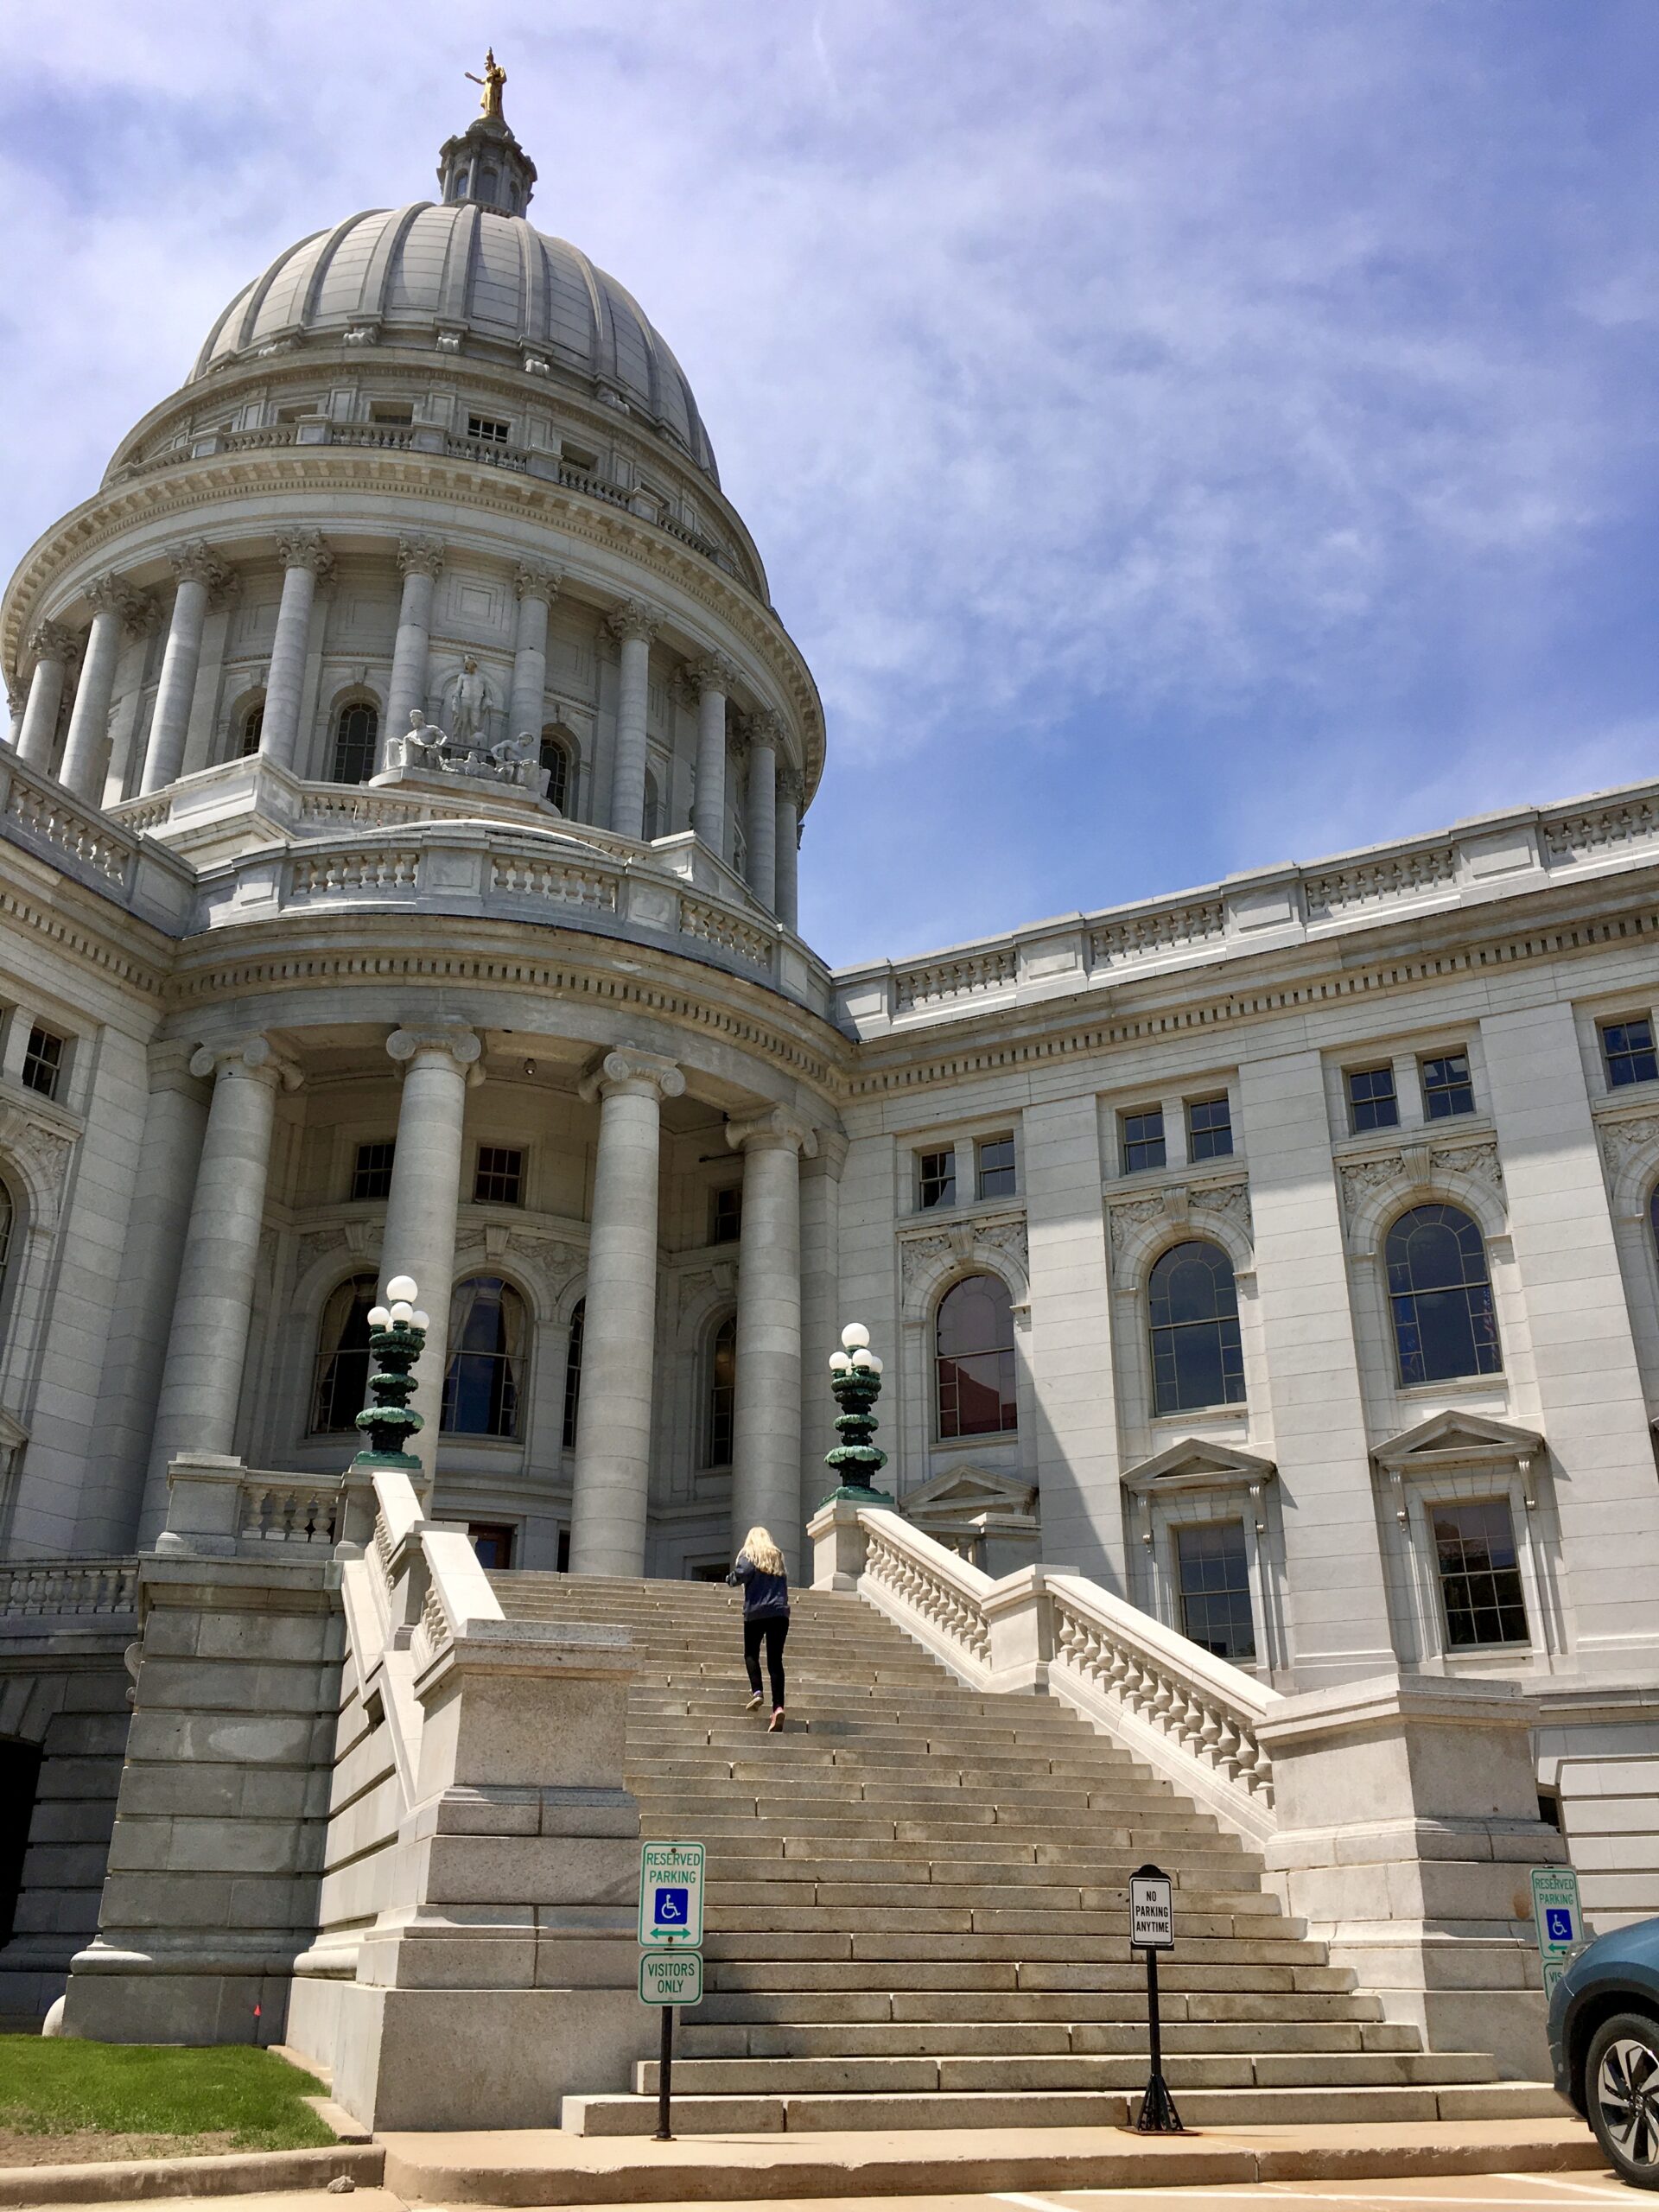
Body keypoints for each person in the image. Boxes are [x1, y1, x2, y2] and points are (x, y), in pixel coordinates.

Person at [727, 1526, 789, 1732]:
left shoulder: (749, 1554)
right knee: (775, 1661)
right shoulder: (776, 1556)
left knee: (751, 1653)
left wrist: (730, 1579)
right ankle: (778, 1707)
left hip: (756, 1612)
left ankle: (757, 1692)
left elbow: (742, 1573)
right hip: (779, 1613)